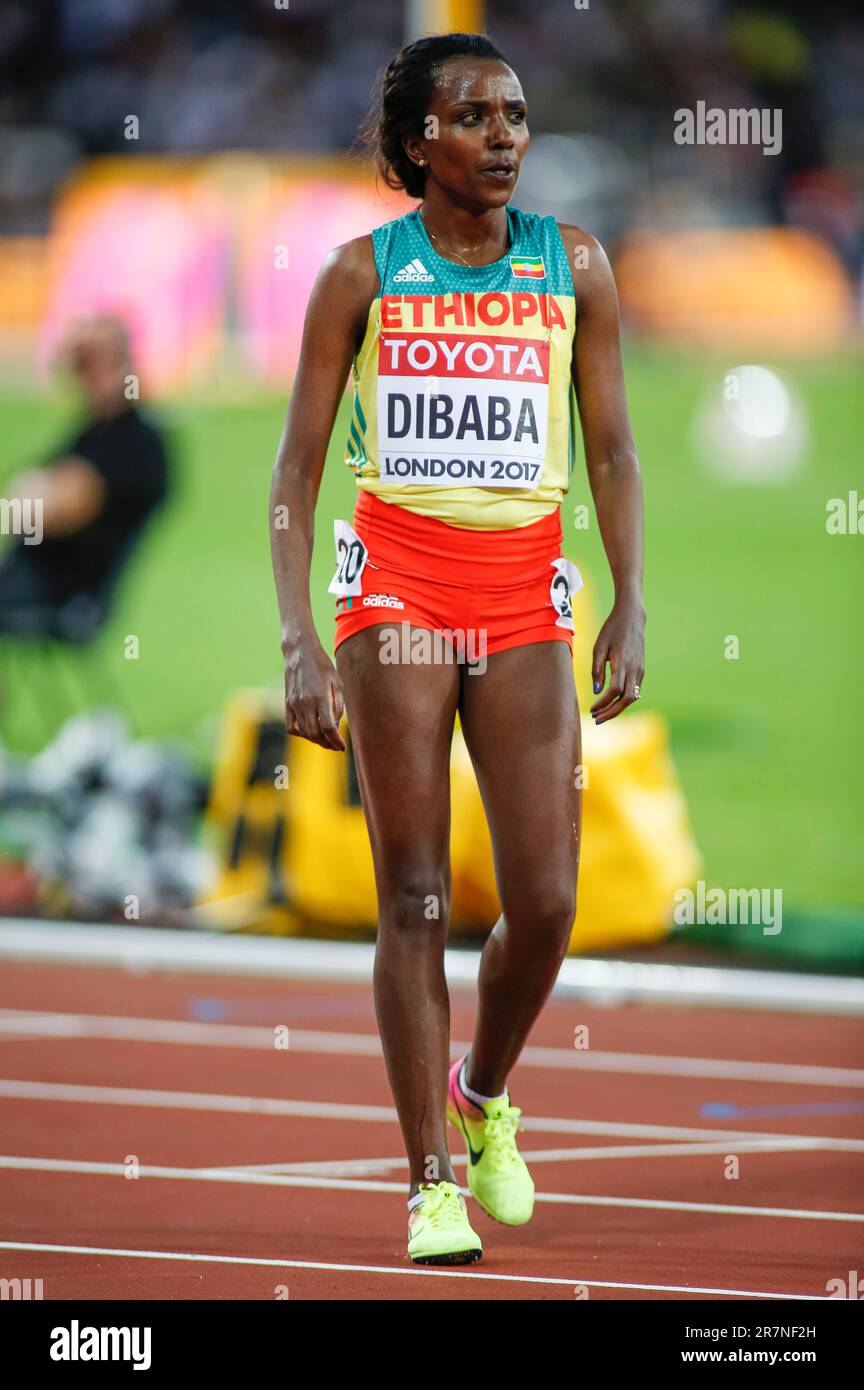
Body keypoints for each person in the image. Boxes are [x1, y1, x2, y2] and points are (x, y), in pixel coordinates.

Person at [269, 32, 645, 1265]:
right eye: (475, 116)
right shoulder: (358, 276)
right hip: (397, 595)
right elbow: (296, 472)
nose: (504, 137)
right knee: (414, 892)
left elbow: (612, 453)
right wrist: (298, 642)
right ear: (419, 140)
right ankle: (428, 1181)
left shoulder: (573, 266)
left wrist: (629, 599)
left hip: (524, 596)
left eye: (517, 116)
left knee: (543, 901)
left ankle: (479, 1096)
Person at [0, 315, 170, 642]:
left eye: (90, 362)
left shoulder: (135, 442)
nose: (83, 375)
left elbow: (57, 506)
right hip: (27, 580)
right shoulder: (91, 432)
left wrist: (32, 497)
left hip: (65, 596)